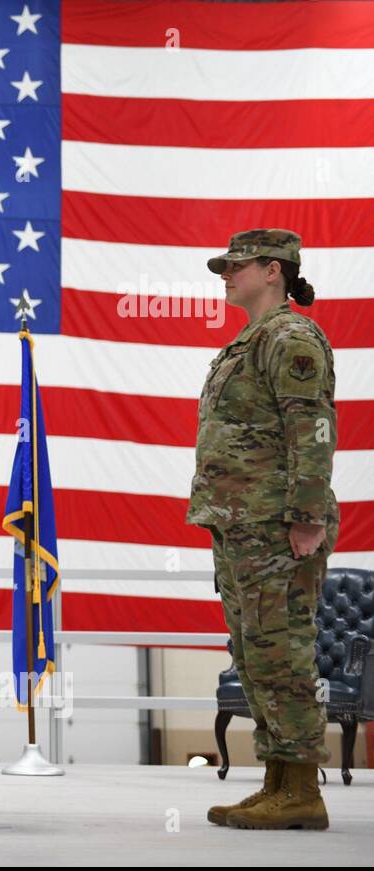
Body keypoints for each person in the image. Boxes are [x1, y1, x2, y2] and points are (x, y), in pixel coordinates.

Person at [191, 229, 338, 830]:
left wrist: (306, 517)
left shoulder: (291, 337)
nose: (226, 274)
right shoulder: (250, 340)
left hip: (277, 524)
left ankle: (302, 787)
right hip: (240, 522)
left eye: (237, 265)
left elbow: (312, 430)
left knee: (282, 653)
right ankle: (279, 779)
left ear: (273, 270)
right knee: (253, 654)